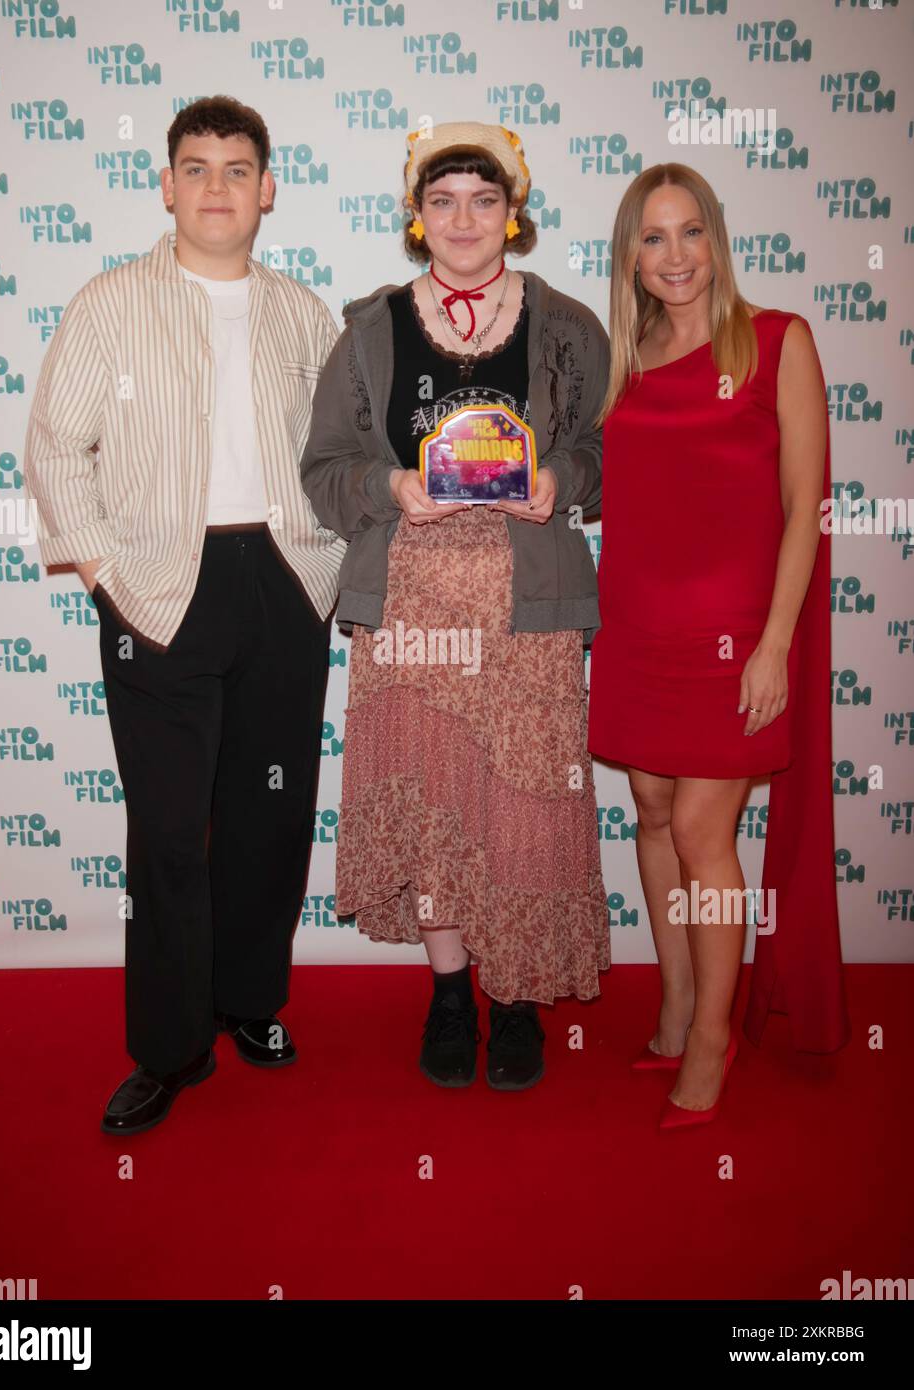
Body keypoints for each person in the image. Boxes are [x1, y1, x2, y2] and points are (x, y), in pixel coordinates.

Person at [24, 95, 346, 1135]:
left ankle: (250, 1003)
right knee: (167, 830)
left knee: (267, 815)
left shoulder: (305, 313)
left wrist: (324, 572)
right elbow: (53, 444)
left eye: (236, 167)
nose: (217, 185)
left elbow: (341, 462)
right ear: (166, 186)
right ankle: (168, 1048)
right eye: (196, 167)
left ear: (267, 189)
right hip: (159, 590)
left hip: (284, 586)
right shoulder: (108, 302)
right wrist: (110, 572)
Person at [301, 122, 611, 1091]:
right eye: (441, 200)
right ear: (414, 215)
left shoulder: (567, 328)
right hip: (411, 600)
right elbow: (323, 471)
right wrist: (389, 492)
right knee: (434, 803)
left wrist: (557, 481)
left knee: (521, 804)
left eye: (483, 198)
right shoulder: (367, 331)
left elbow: (605, 458)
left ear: (510, 213)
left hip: (526, 605)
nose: (462, 219)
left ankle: (513, 998)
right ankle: (446, 993)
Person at [587, 163, 849, 1129]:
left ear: (718, 237)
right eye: (652, 239)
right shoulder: (627, 356)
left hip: (734, 637)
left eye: (689, 232)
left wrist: (774, 643)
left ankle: (712, 1040)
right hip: (635, 628)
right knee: (651, 814)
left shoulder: (780, 341)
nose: (675, 256)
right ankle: (678, 1002)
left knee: (704, 836)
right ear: (631, 256)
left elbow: (804, 509)